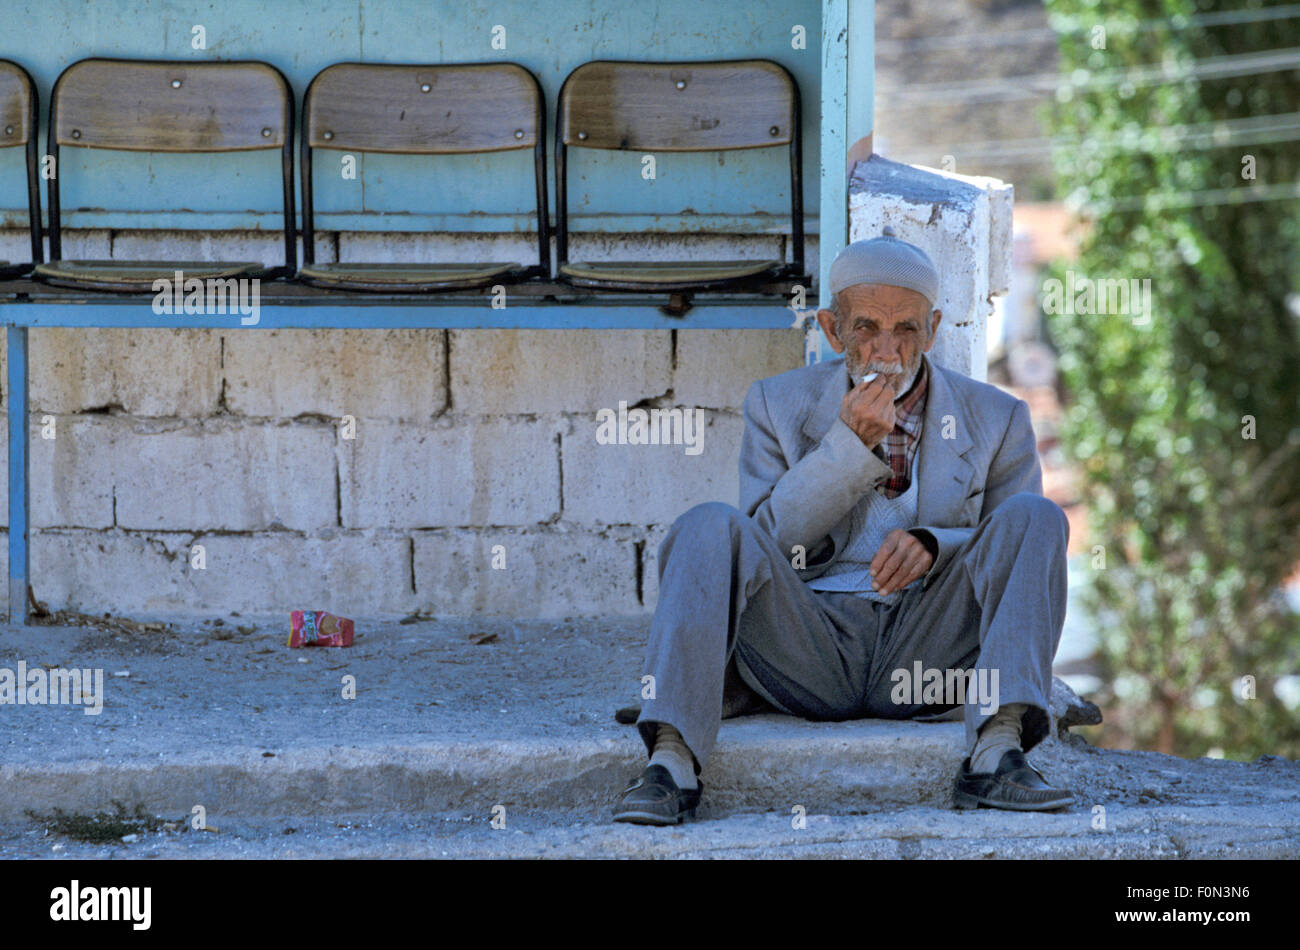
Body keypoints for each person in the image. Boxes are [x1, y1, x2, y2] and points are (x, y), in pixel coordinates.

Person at [613, 228, 1075, 825]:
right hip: (805, 647)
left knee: (1040, 516)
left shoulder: (996, 416)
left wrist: (937, 547)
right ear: (833, 329)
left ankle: (996, 753)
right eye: (866, 328)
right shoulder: (777, 403)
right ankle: (671, 763)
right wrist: (846, 447)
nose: (888, 349)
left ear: (932, 331)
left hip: (928, 652)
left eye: (906, 329)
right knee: (708, 526)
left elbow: (1014, 545)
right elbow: (765, 542)